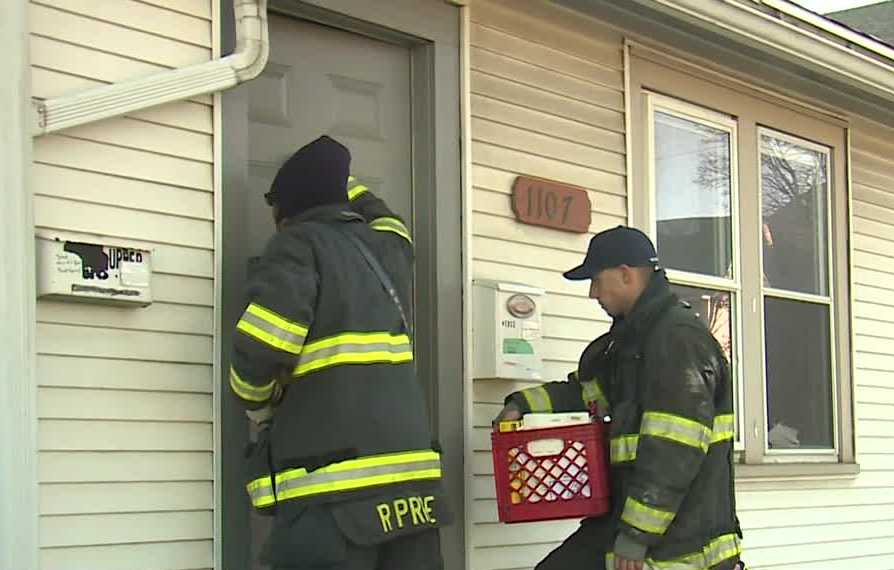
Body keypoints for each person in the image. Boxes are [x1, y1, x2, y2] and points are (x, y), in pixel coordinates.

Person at [229, 135, 447, 570]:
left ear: (284, 210)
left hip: (333, 497)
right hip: (414, 495)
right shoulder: (388, 248)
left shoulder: (298, 245)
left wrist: (256, 406)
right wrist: (345, 179)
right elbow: (392, 222)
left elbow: (261, 348)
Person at [496, 226, 742, 570]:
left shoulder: (676, 341)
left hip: (679, 543)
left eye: (596, 281)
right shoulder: (630, 343)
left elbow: (673, 449)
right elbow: (587, 394)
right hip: (625, 521)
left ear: (625, 275)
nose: (593, 294)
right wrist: (521, 405)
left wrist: (637, 536)